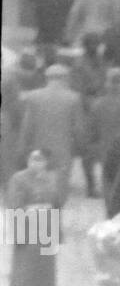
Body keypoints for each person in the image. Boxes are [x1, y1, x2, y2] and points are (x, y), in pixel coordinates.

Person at [17, 64, 85, 206]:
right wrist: (81, 147)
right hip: (63, 151)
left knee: (38, 188)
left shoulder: (33, 97)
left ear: (47, 78)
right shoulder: (73, 98)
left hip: (39, 150)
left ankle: (39, 224)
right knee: (59, 189)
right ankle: (54, 223)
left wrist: (22, 149)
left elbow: (26, 127)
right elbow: (78, 129)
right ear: (65, 78)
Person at [6, 149, 61, 286]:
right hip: (27, 227)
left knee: (41, 271)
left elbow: (56, 201)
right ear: (28, 161)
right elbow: (15, 203)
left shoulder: (49, 178)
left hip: (46, 227)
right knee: (26, 269)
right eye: (34, 159)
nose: (37, 163)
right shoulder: (19, 178)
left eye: (41, 160)